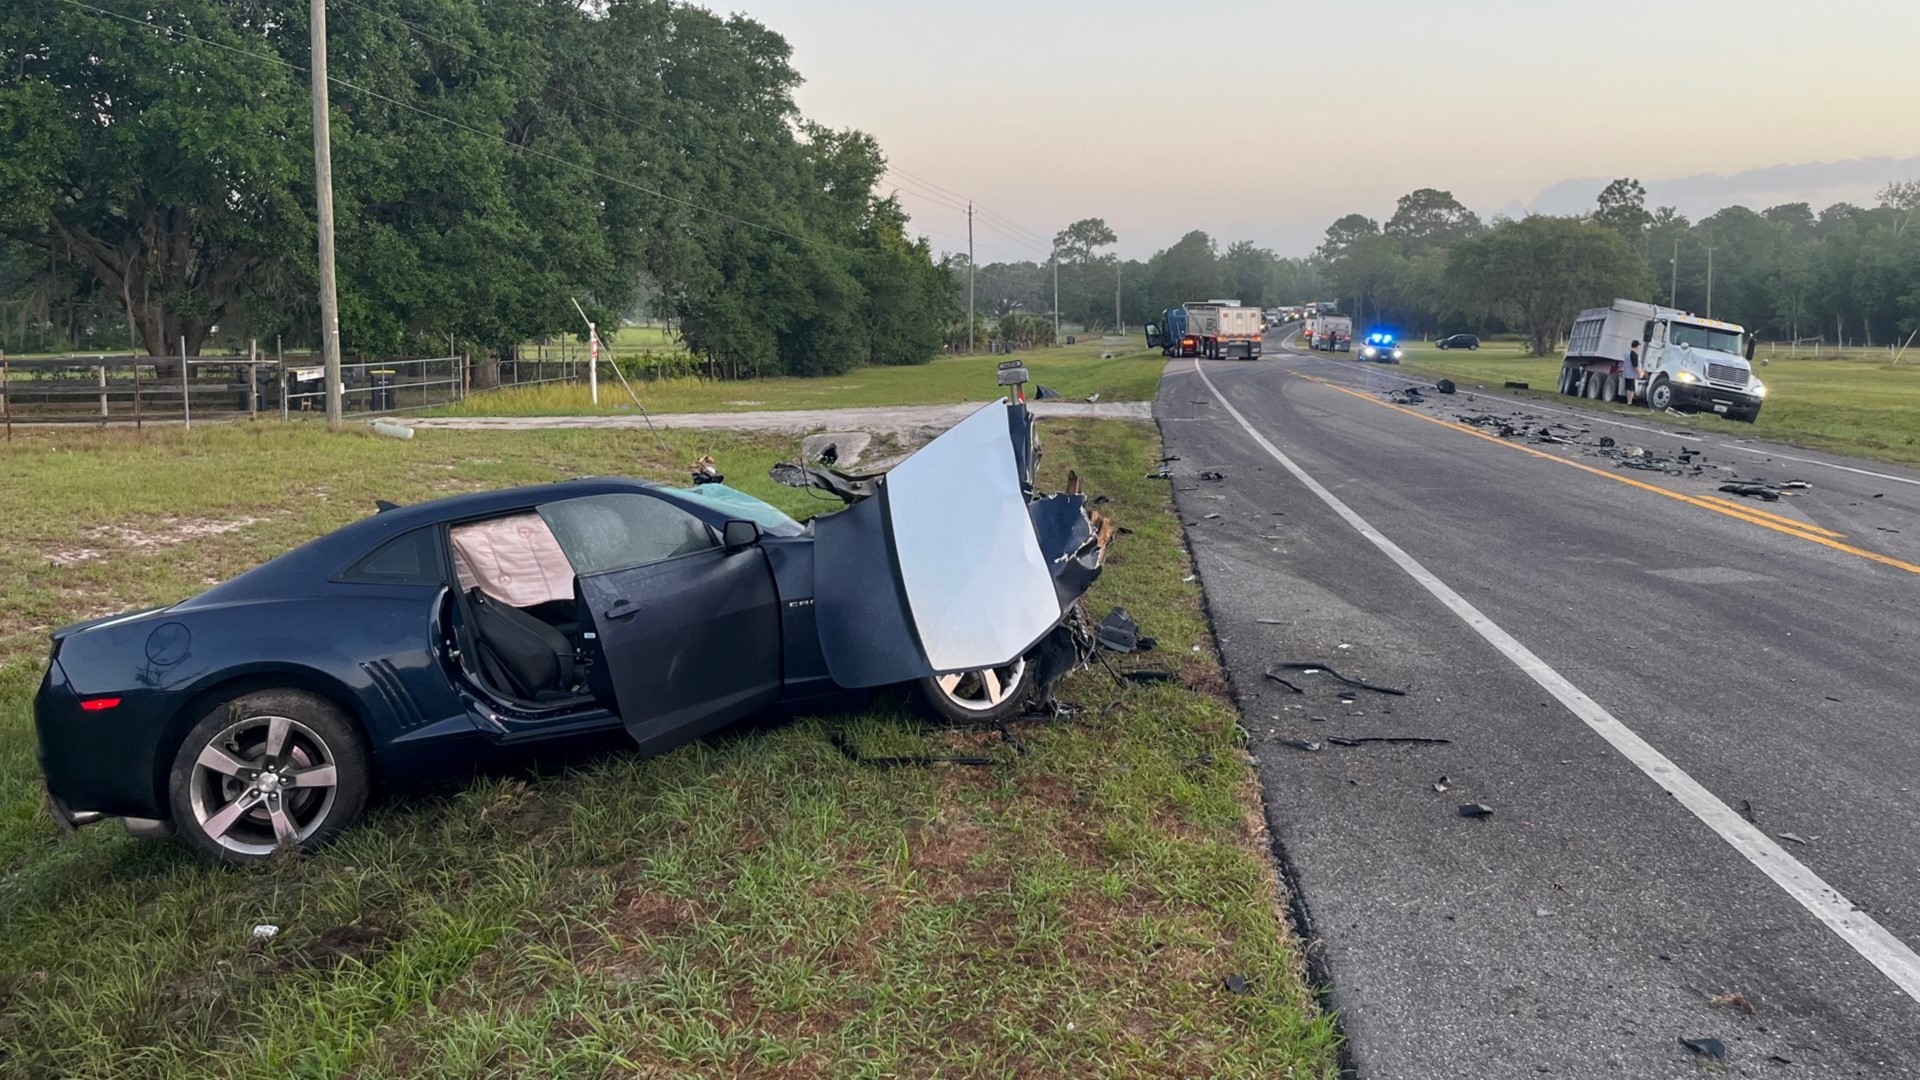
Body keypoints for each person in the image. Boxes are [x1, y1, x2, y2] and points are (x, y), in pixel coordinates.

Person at [1623, 339, 1642, 405]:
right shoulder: (1633, 354)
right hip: (1632, 374)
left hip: (1626, 373)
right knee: (1631, 389)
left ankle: (1629, 401)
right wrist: (1639, 373)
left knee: (1628, 388)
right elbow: (1635, 366)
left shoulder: (1627, 352)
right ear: (1637, 346)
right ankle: (1629, 402)